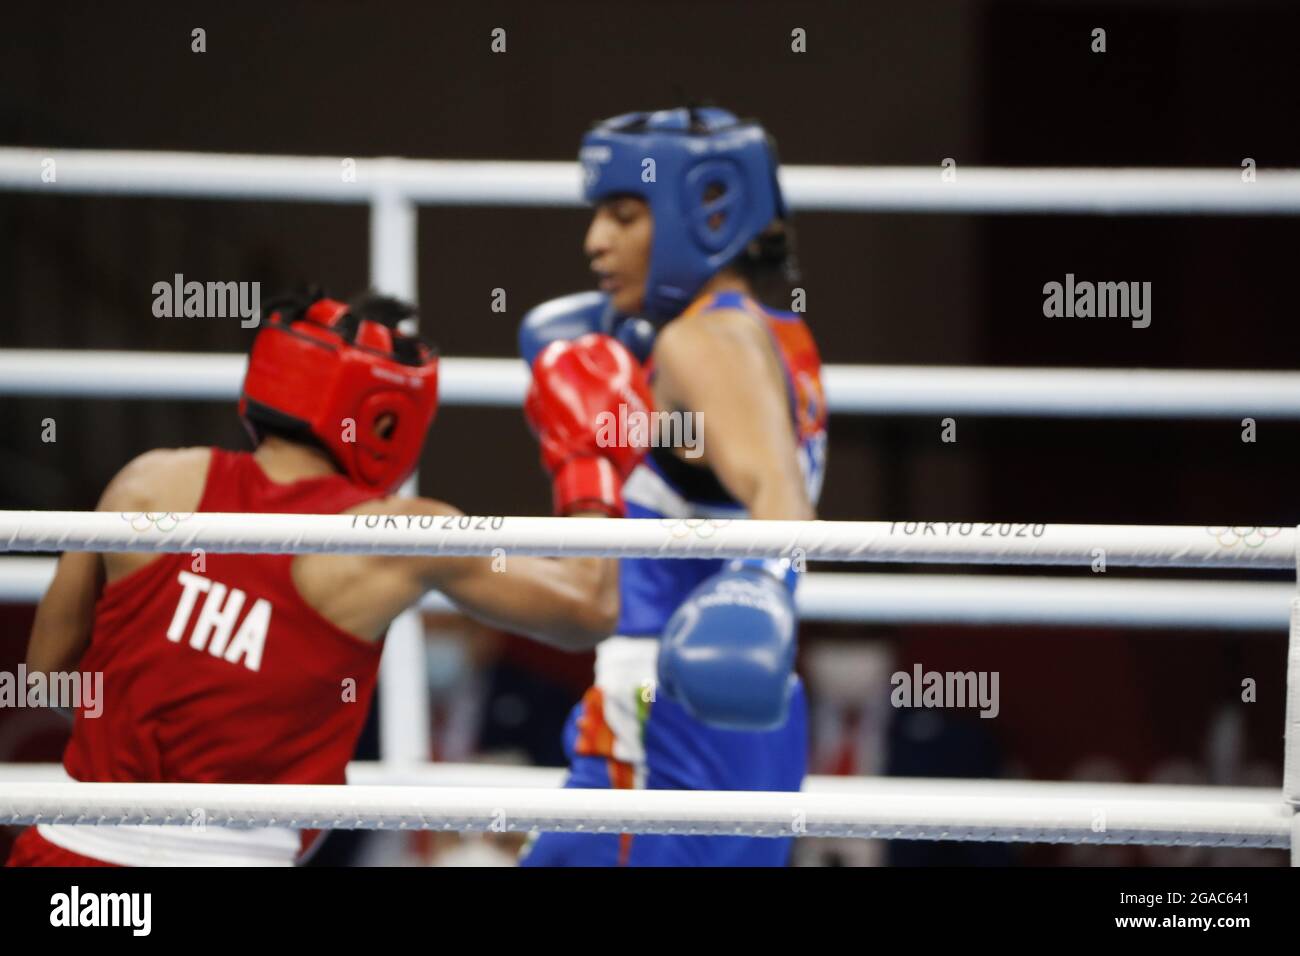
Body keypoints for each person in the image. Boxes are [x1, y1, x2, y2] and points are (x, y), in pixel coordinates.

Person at [6, 289, 650, 867]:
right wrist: (587, 464)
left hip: (67, 861)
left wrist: (159, 724)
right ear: (388, 419)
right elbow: (589, 607)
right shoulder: (394, 540)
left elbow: (43, 677)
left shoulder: (147, 482)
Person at [518, 107, 829, 867]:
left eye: (624, 215)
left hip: (666, 716)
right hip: (720, 722)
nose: (596, 240)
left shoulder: (702, 343)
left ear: (705, 212)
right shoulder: (763, 331)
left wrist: (760, 587)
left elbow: (779, 498)